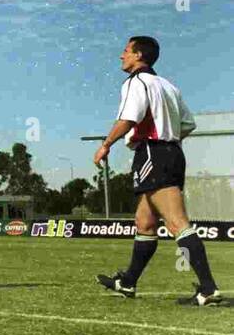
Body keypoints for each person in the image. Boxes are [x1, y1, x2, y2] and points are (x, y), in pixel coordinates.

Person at [94, 36, 221, 306]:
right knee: (145, 222)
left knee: (176, 222)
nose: (121, 56)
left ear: (139, 55)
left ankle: (208, 288)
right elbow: (188, 124)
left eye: (126, 51)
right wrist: (168, 137)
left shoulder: (136, 82)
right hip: (171, 152)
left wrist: (106, 145)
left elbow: (128, 119)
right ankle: (128, 282)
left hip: (153, 153)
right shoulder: (168, 85)